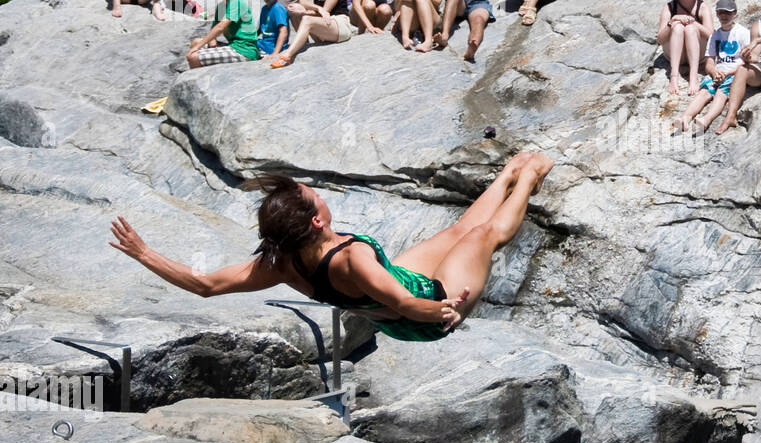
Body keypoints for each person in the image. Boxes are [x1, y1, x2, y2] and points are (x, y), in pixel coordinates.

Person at [109, 152, 555, 342]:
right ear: (317, 220)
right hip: (424, 308)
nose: (317, 191)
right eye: (312, 195)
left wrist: (143, 252)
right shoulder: (353, 258)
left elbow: (204, 285)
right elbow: (403, 302)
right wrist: (444, 312)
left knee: (459, 230)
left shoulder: (282, 262)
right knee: (483, 236)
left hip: (393, 293)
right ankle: (530, 176)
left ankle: (506, 175)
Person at [671, 0, 749, 135]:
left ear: (735, 13)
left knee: (720, 94)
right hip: (718, 73)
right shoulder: (715, 36)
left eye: (728, 12)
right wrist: (714, 72)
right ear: (717, 14)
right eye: (721, 13)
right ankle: (685, 117)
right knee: (704, 92)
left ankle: (706, 120)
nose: (724, 16)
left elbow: (747, 61)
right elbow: (709, 61)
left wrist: (728, 73)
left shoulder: (743, 33)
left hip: (734, 73)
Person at [656, 0, 715, 95]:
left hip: (698, 53)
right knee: (677, 27)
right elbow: (660, 39)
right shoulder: (669, 7)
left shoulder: (702, 7)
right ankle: (674, 75)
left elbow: (711, 35)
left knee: (690, 28)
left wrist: (694, 23)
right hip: (676, 53)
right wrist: (672, 21)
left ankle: (693, 76)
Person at [187, 0, 257, 68]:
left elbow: (221, 27)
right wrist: (209, 42)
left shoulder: (236, 2)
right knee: (195, 42)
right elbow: (214, 31)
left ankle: (197, 79)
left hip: (244, 50)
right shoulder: (221, 6)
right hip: (232, 45)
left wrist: (200, 46)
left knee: (194, 56)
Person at [256, 0, 292, 65]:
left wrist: (275, 54)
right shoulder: (264, 9)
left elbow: (283, 31)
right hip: (263, 44)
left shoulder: (278, 9)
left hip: (271, 48)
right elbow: (260, 28)